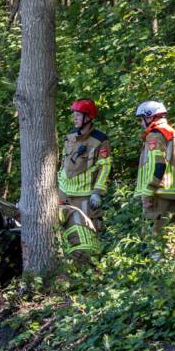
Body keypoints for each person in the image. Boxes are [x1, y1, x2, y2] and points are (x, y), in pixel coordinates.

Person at [57, 98, 111, 259]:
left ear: (88, 117)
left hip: (85, 197)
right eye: (74, 114)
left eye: (78, 115)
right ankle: (67, 264)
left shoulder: (100, 140)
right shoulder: (70, 136)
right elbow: (63, 164)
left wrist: (97, 192)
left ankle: (91, 266)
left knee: (87, 234)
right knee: (63, 232)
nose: (74, 118)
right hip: (63, 194)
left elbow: (105, 167)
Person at [133, 100, 175, 255]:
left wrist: (149, 190)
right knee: (168, 236)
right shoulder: (172, 133)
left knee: (155, 237)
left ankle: (159, 268)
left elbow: (158, 164)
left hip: (159, 192)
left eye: (141, 119)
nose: (141, 123)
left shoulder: (155, 134)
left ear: (150, 117)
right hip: (172, 191)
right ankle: (171, 267)